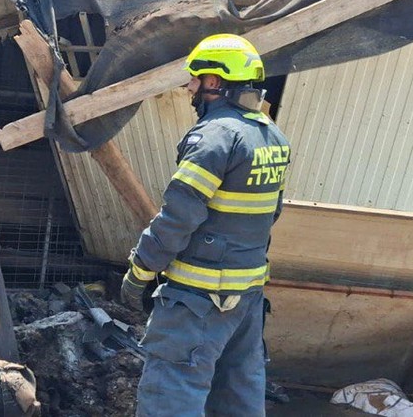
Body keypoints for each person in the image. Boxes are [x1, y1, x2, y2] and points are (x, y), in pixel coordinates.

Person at [121, 34, 291, 417]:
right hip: (247, 298)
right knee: (238, 396)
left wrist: (139, 272)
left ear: (214, 81)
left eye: (194, 79)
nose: (189, 88)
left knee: (171, 396)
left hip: (198, 300)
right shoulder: (271, 136)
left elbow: (178, 218)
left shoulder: (214, 138)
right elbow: (272, 213)